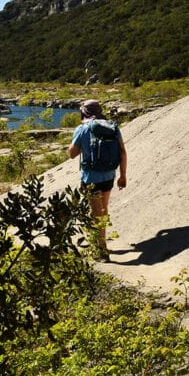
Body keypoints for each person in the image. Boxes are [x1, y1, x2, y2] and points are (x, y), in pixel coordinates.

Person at [68, 99, 127, 260]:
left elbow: (72, 154)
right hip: (109, 174)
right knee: (103, 209)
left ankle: (101, 250)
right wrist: (123, 175)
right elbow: (122, 152)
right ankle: (98, 241)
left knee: (96, 214)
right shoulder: (112, 127)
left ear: (84, 112)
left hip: (91, 177)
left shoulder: (82, 128)